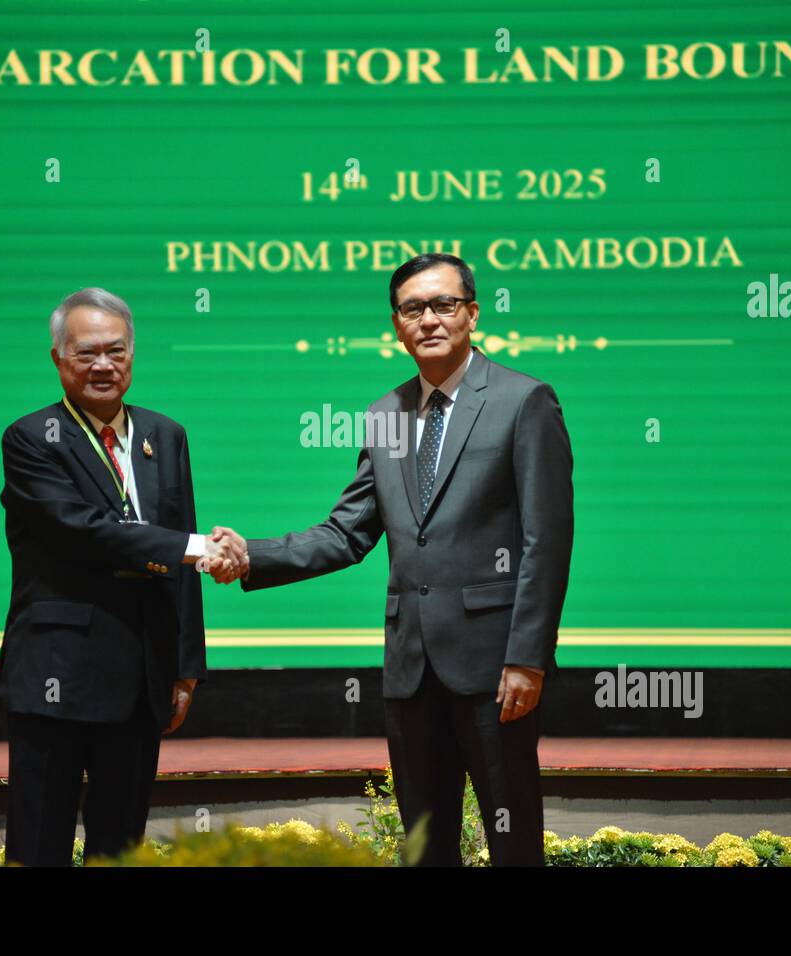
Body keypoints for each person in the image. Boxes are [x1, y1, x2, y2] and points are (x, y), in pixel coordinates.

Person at [213, 253, 573, 866]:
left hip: (495, 671)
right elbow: (346, 533)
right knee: (424, 846)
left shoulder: (524, 401)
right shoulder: (385, 415)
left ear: (473, 313)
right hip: (411, 668)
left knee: (514, 845)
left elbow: (547, 539)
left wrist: (527, 658)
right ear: (397, 324)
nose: (429, 319)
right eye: (413, 309)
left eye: (444, 305)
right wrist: (254, 556)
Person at [0, 287, 246, 866]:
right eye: (86, 353)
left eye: (117, 351)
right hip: (57, 676)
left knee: (121, 845)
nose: (103, 365)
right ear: (58, 357)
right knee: (38, 844)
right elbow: (87, 530)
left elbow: (181, 561)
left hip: (140, 677)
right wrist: (201, 548)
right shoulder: (32, 438)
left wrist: (185, 667)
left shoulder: (167, 435)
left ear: (133, 354)